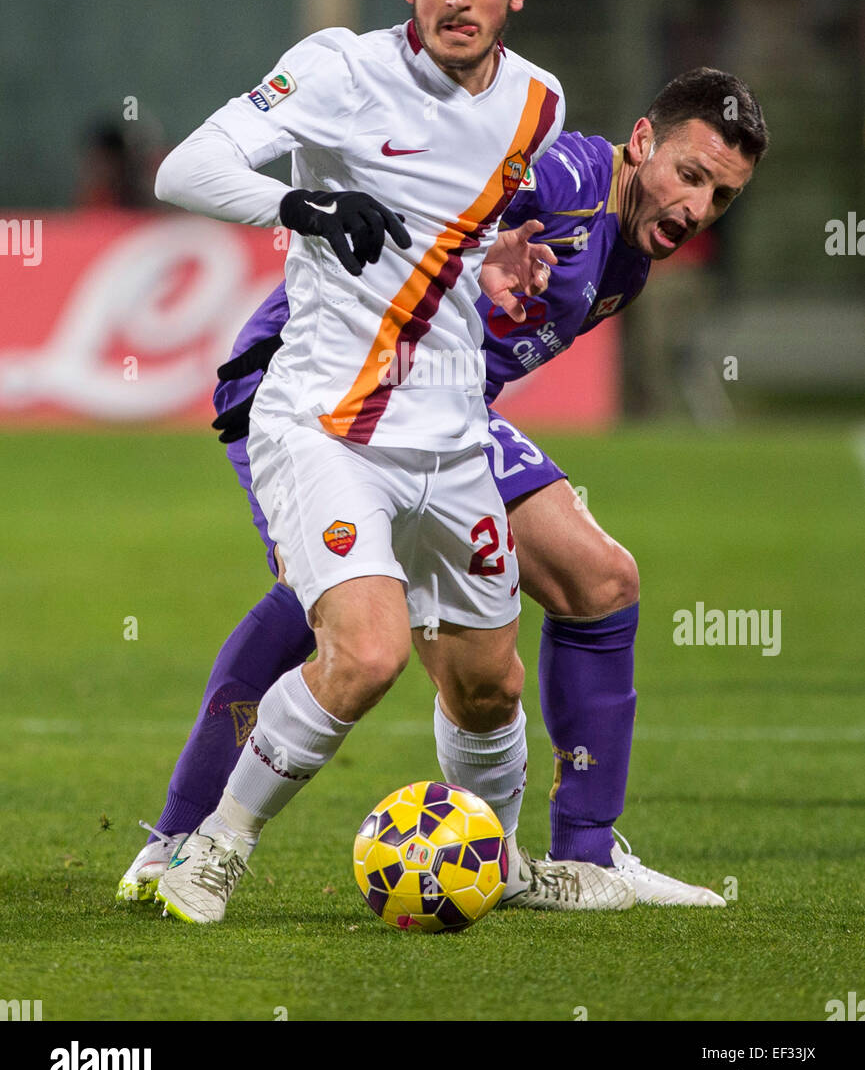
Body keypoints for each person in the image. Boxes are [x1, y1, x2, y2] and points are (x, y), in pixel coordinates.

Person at [119, 66, 768, 913]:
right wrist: (479, 236)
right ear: (640, 143)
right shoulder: (569, 178)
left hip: (439, 414)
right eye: (689, 174)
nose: (695, 209)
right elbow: (451, 183)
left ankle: (587, 856)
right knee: (327, 615)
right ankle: (177, 840)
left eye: (720, 197)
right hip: (316, 384)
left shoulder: (628, 250)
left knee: (598, 582)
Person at [142, 0, 650, 926]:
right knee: (366, 650)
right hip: (324, 422)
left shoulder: (540, 102)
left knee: (489, 685)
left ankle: (495, 861)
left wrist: (505, 256)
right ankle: (208, 852)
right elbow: (185, 169)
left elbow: (469, 217)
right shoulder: (336, 68)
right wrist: (301, 202)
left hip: (451, 436)